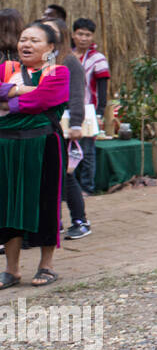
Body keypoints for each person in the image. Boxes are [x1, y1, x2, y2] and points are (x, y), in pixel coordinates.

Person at [0, 22, 70, 288]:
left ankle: (46, 265)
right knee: (7, 204)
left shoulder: (58, 72)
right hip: (6, 145)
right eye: (23, 39)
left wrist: (6, 102)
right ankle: (11, 269)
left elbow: (42, 101)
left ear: (50, 47)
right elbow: (33, 99)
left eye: (34, 40)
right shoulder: (7, 69)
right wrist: (20, 90)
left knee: (44, 202)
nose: (26, 45)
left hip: (42, 145)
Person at [47, 19, 92, 241]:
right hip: (46, 126)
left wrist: (76, 123)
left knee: (67, 175)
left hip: (64, 127)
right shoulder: (45, 60)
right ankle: (55, 221)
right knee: (50, 176)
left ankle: (80, 220)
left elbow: (77, 95)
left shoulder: (69, 61)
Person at [70, 18, 107, 197]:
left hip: (89, 112)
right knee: (69, 150)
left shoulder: (98, 58)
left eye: (88, 35)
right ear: (73, 34)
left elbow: (103, 88)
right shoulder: (66, 56)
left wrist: (100, 112)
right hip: (67, 111)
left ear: (92, 37)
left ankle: (86, 188)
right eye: (80, 34)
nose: (83, 38)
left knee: (87, 151)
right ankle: (71, 187)